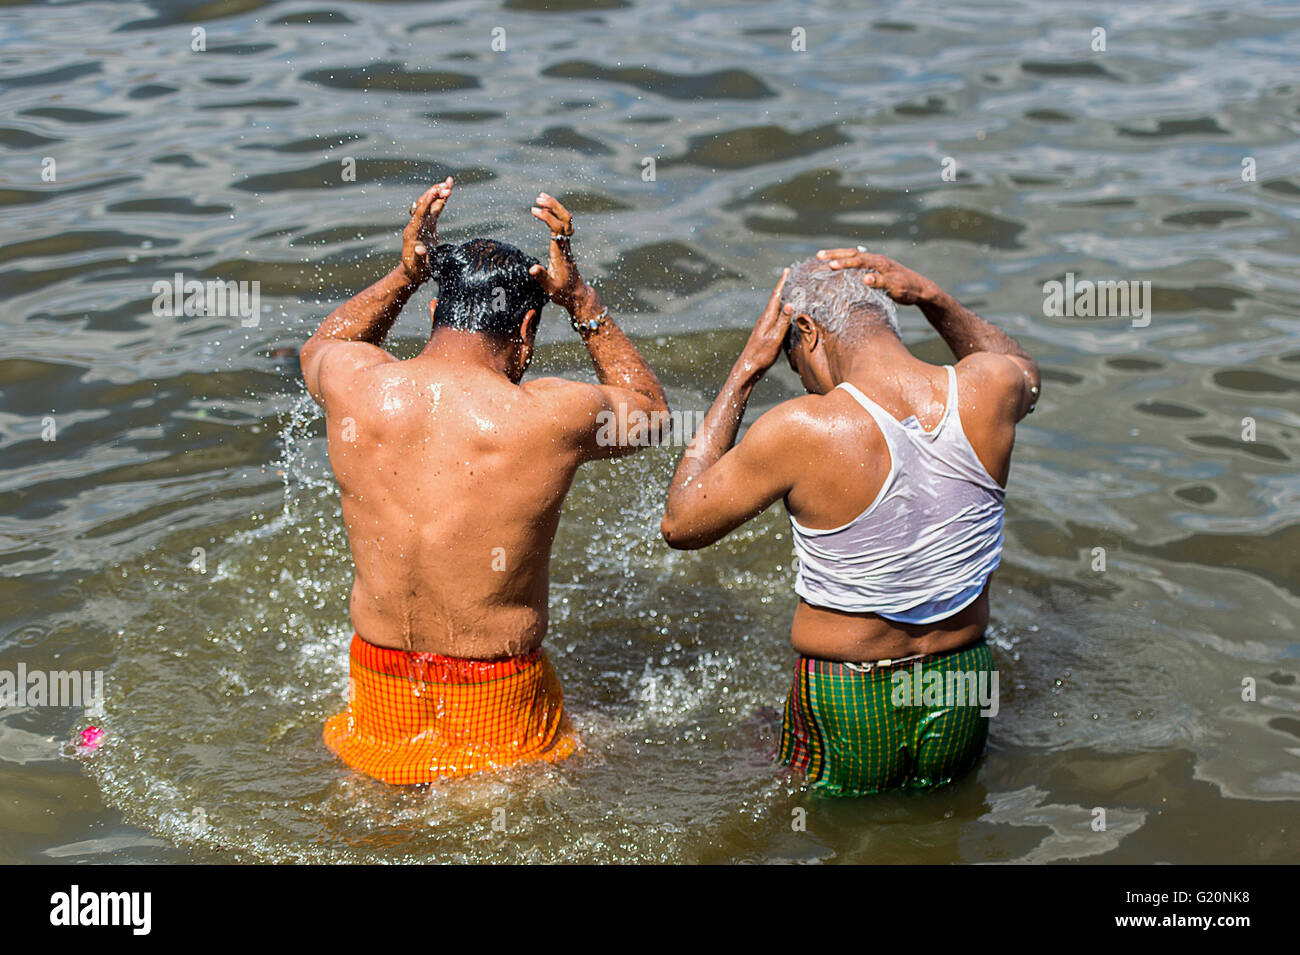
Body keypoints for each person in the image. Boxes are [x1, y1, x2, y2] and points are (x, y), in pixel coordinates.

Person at [299, 178, 669, 784]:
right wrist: (581, 302)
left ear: (432, 311)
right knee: (503, 810)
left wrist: (405, 272)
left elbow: (325, 342)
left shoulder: (356, 385)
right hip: (495, 688)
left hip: (378, 678)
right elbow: (652, 414)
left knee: (377, 806)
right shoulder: (548, 415)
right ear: (525, 329)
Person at [661, 250, 1039, 795]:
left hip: (850, 697)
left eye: (796, 367)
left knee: (836, 836)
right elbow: (1026, 369)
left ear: (807, 331)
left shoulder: (803, 427)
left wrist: (745, 370)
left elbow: (681, 521)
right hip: (962, 682)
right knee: (942, 835)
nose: (809, 386)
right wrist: (933, 297)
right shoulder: (991, 387)